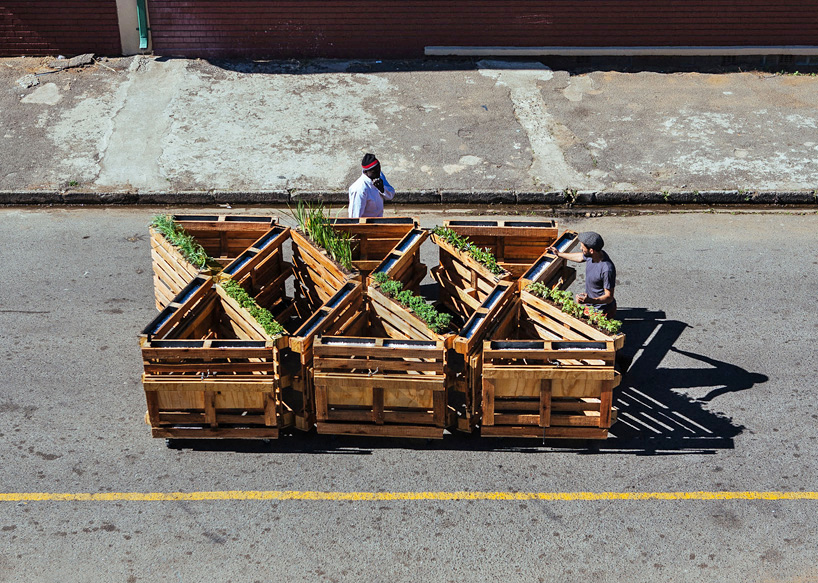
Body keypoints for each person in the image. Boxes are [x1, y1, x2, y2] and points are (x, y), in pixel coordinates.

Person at [548, 231, 617, 318]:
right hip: (590, 305)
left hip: (601, 310)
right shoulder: (593, 255)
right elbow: (580, 257)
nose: (580, 248)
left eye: (582, 247)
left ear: (591, 250)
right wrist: (559, 254)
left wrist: (590, 300)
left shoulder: (607, 269)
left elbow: (609, 297)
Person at [348, 153, 395, 218]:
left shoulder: (379, 176)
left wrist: (383, 189)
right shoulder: (359, 189)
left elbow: (391, 195)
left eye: (379, 169)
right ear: (365, 172)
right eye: (374, 172)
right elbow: (355, 217)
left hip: (378, 222)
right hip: (366, 226)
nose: (378, 173)